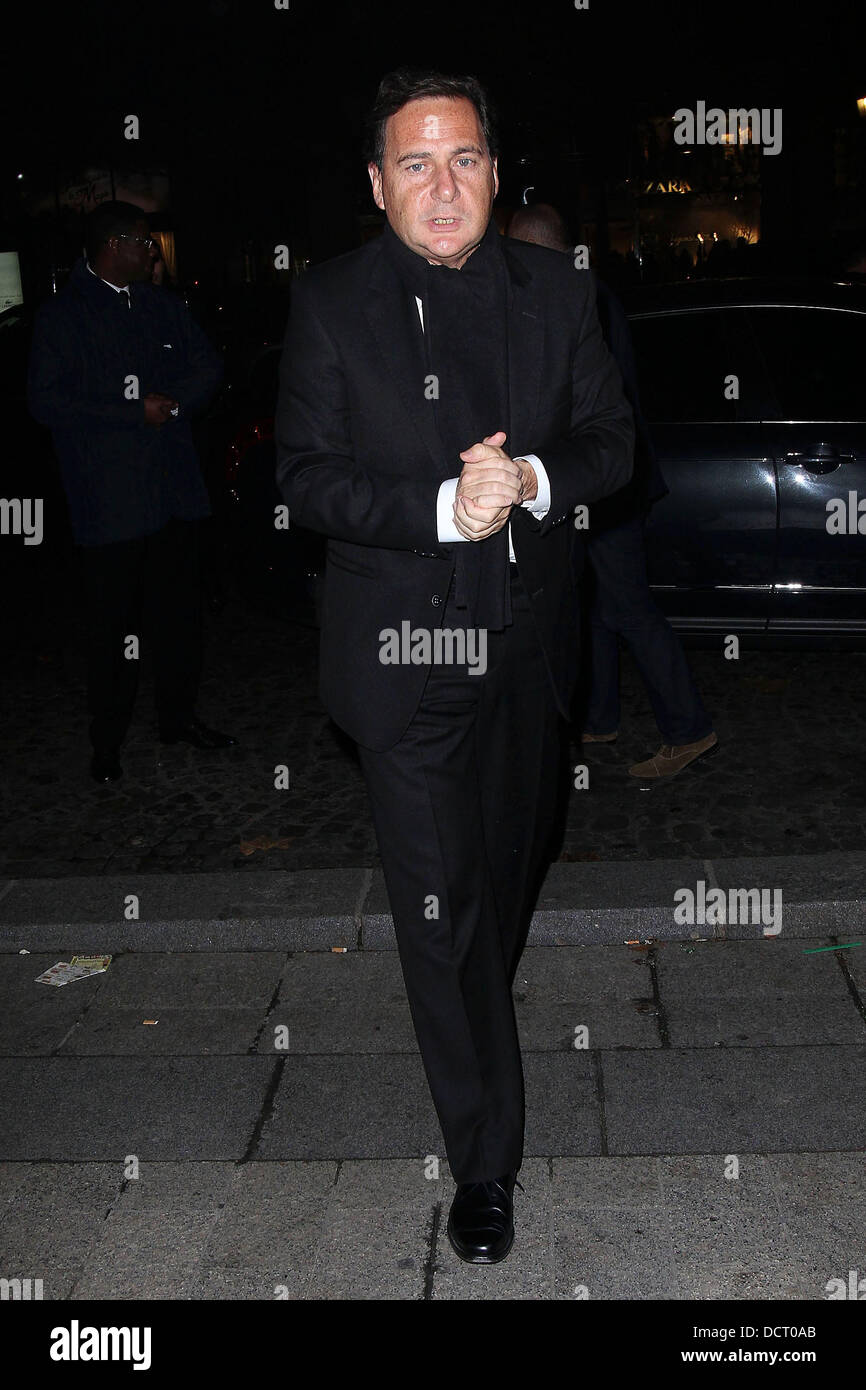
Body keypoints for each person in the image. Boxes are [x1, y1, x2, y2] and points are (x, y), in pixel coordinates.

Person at [275, 70, 633, 1263]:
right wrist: (439, 505)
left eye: (464, 159)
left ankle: (475, 987)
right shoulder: (328, 303)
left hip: (529, 650)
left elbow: (609, 442)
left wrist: (527, 483)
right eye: (415, 163)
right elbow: (305, 479)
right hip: (401, 661)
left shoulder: (556, 290)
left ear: (494, 170)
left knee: (504, 875)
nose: (443, 186)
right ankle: (482, 1159)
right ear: (377, 184)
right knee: (440, 916)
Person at [27, 200, 236, 782]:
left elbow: (205, 365)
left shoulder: (161, 307)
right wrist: (129, 411)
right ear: (112, 245)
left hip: (172, 493)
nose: (152, 252)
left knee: (179, 620)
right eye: (143, 242)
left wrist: (175, 406)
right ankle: (108, 740)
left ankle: (179, 717)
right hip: (110, 503)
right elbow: (47, 402)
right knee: (113, 628)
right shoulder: (63, 317)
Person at [508, 203, 717, 780]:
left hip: (608, 491)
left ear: (534, 249)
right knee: (596, 606)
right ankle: (600, 718)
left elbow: (589, 416)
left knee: (629, 609)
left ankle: (688, 727)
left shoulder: (576, 302)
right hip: (595, 489)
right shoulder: (581, 295)